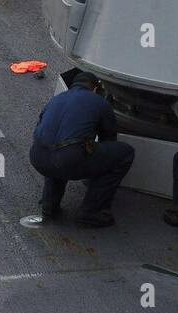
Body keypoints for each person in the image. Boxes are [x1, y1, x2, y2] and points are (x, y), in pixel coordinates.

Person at [29, 72, 135, 228]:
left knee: (56, 147)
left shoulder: (56, 99)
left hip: (37, 156)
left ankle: (49, 203)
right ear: (95, 89)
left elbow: (42, 128)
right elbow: (109, 138)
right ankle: (92, 210)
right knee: (124, 153)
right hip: (67, 159)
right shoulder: (99, 102)